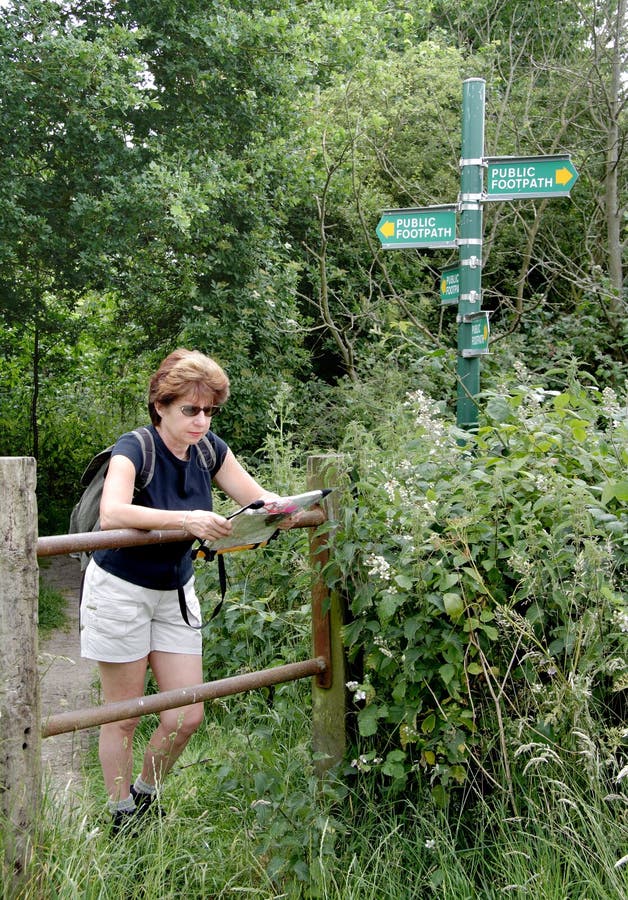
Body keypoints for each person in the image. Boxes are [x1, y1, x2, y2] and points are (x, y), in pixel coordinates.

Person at [80, 348, 286, 832]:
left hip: (175, 588)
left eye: (210, 410)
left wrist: (287, 506)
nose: (201, 421)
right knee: (125, 715)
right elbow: (113, 512)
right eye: (190, 410)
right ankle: (122, 816)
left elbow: (253, 495)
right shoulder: (135, 448)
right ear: (161, 406)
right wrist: (186, 519)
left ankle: (146, 795)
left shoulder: (210, 448)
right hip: (120, 589)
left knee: (187, 714)